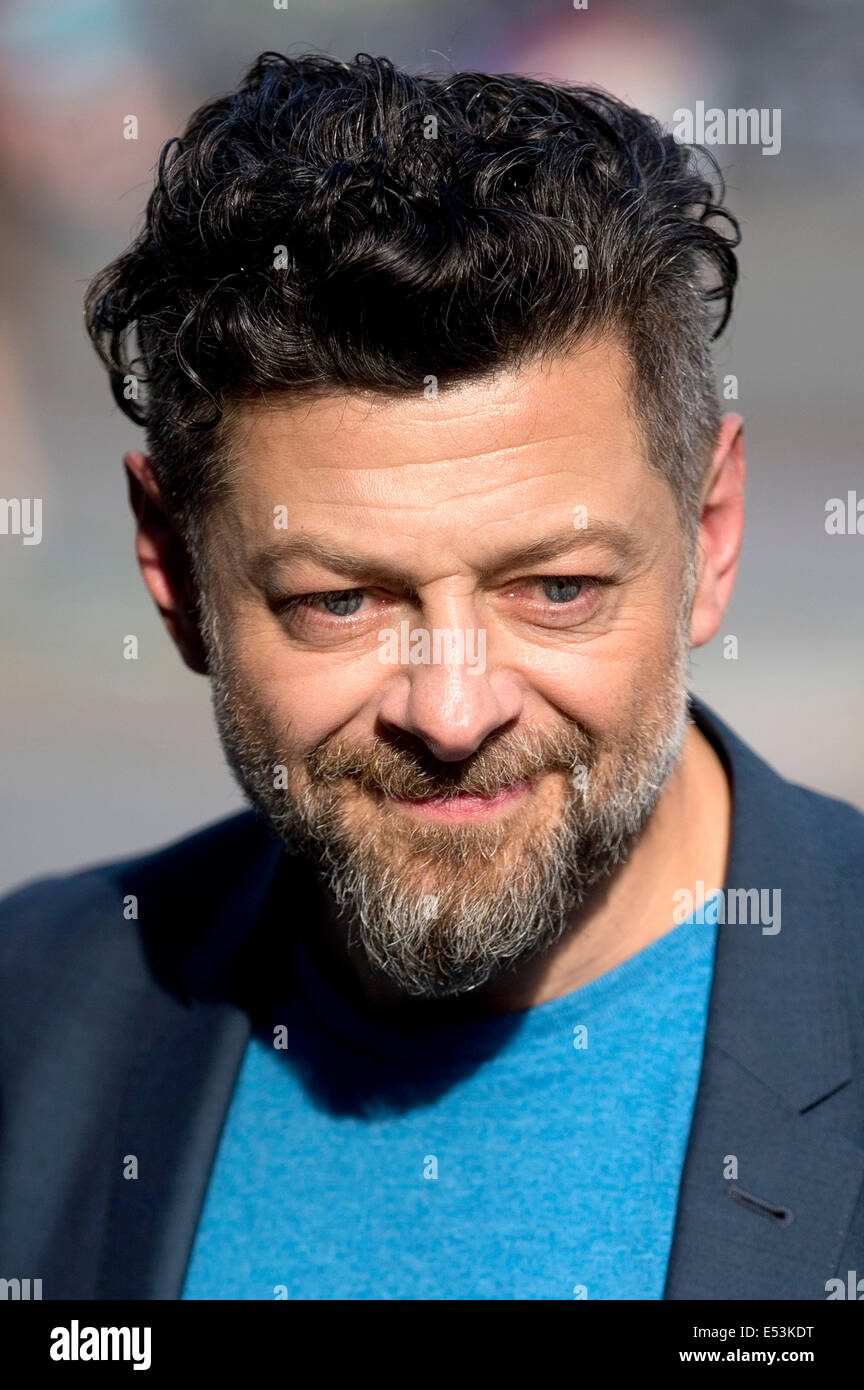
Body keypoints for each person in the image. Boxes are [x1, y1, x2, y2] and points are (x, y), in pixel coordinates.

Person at [1, 52, 862, 1302]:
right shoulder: (33, 1015)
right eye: (337, 601)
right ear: (176, 572)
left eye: (556, 589)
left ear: (710, 538)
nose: (452, 713)